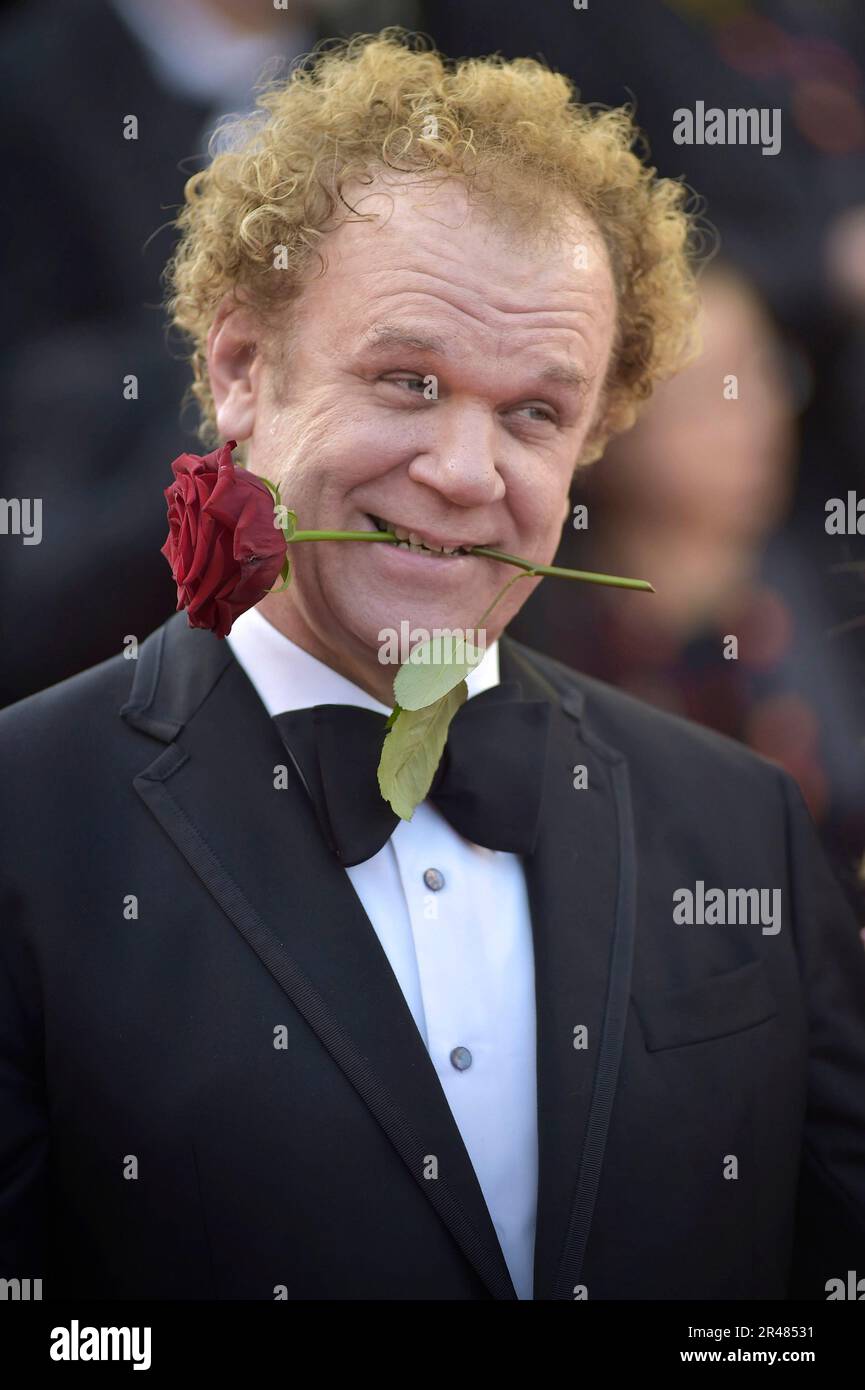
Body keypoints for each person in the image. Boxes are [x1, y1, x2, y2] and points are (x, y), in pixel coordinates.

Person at [1, 31, 863, 1303]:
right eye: (409, 382)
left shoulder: (740, 829)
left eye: (532, 414)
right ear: (241, 370)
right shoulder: (26, 823)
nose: (466, 474)